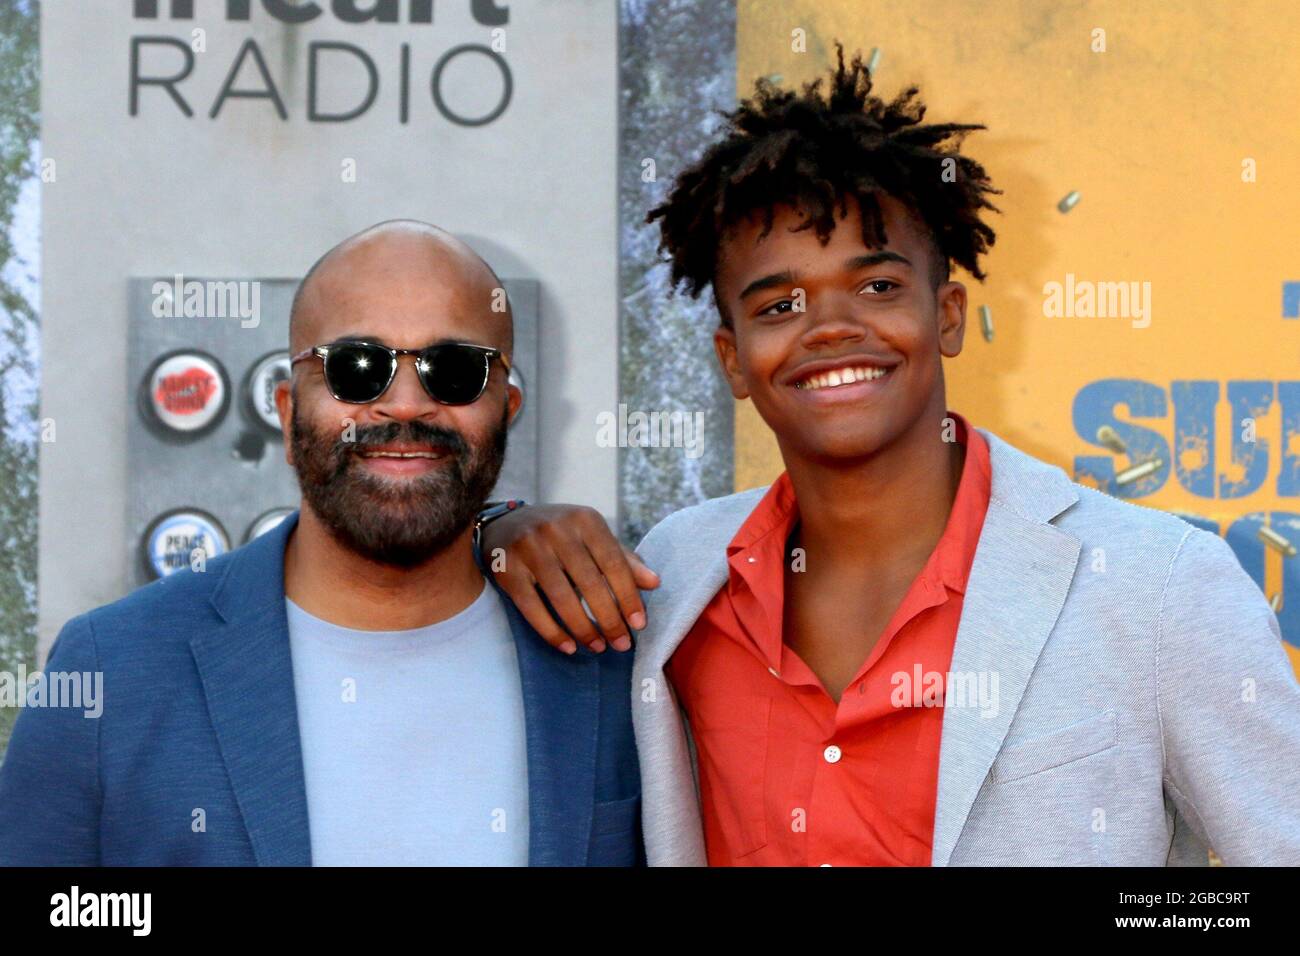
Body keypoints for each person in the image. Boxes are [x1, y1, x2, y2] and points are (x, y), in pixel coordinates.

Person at [482, 48, 1300, 866]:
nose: (831, 326)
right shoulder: (673, 579)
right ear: (732, 360)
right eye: (780, 304)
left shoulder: (1157, 587)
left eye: (876, 287)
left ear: (946, 314)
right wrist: (495, 529)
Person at [0, 220, 641, 866]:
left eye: (454, 370)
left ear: (507, 407)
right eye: (356, 368)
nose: (406, 406)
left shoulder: (617, 662)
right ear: (285, 412)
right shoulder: (115, 669)